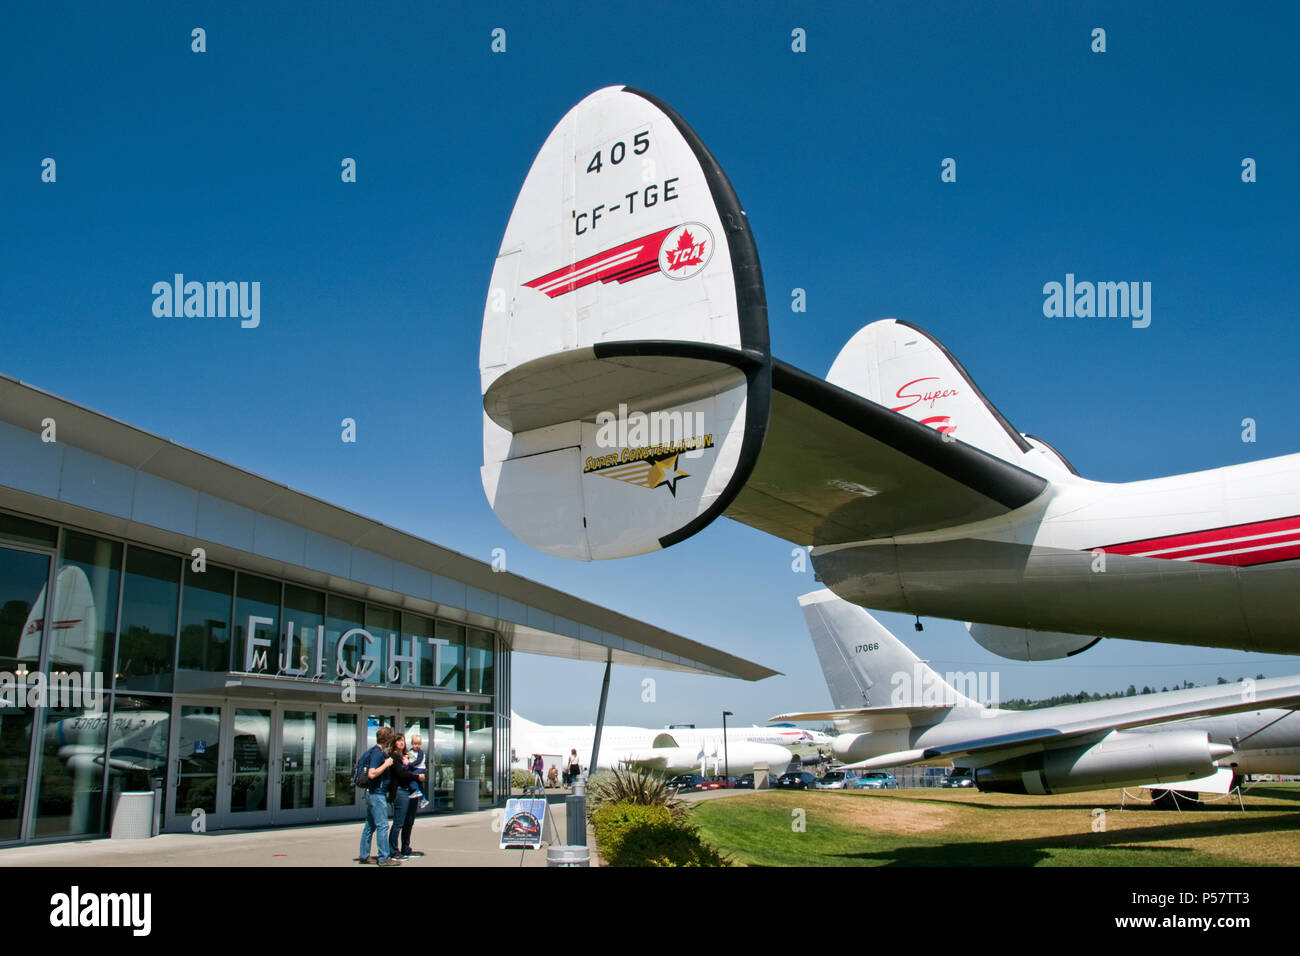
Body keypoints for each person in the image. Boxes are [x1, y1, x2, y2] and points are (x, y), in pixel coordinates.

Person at [358, 726, 399, 865]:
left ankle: (364, 855)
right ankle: (384, 858)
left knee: (370, 825)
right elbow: (372, 773)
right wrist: (386, 764)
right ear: (387, 739)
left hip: (372, 793)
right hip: (377, 793)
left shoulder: (373, 751)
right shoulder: (378, 754)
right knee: (382, 825)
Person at [387, 733, 426, 862]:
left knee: (409, 821)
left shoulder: (407, 755)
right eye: (398, 740)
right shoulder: (393, 757)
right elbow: (401, 773)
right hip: (401, 791)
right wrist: (416, 777)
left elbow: (417, 766)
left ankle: (405, 848)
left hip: (411, 790)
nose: (401, 742)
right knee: (399, 822)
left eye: (403, 740)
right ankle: (393, 851)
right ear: (394, 743)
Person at [408, 733, 430, 810]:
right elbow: (409, 758)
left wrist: (410, 764)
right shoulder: (410, 751)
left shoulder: (421, 752)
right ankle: (423, 799)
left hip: (420, 769)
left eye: (418, 744)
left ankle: (416, 790)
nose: (417, 746)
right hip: (415, 768)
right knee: (420, 784)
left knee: (410, 778)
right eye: (415, 744)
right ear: (412, 743)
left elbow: (418, 761)